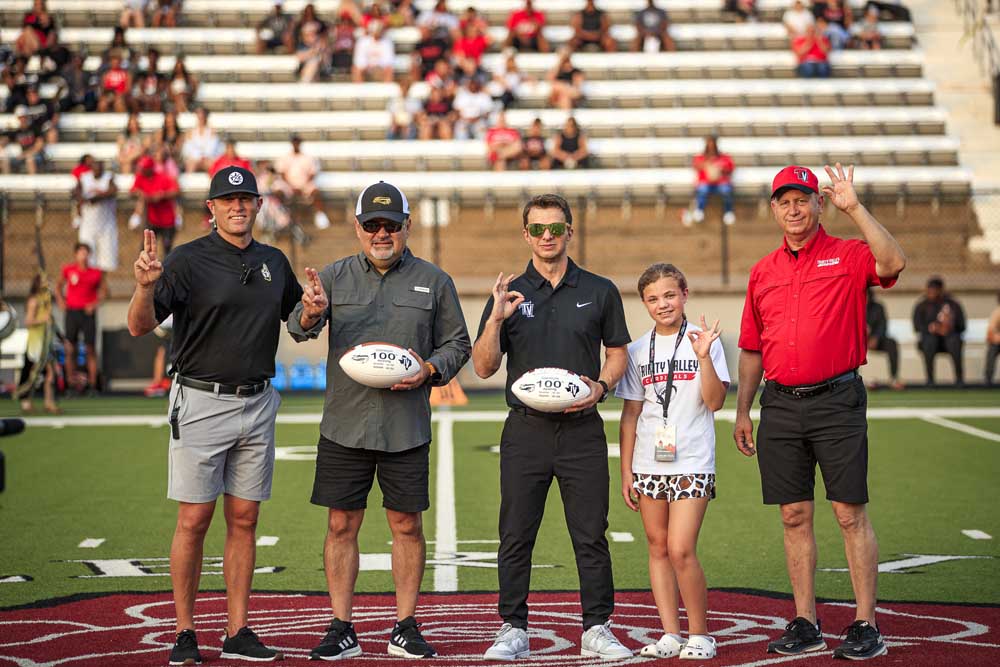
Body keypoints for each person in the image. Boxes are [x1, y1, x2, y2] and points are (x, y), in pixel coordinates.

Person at [286, 181, 471, 660]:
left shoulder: (435, 281)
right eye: (372, 225)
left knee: (406, 524)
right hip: (344, 424)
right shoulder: (334, 276)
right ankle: (341, 627)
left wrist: (429, 370)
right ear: (358, 228)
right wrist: (309, 314)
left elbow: (457, 344)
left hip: (405, 425)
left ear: (407, 226)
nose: (381, 233)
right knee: (341, 524)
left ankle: (405, 626)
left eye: (391, 225)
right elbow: (295, 327)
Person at [126, 166, 301, 665]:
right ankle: (185, 631)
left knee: (245, 518)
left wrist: (311, 311)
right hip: (201, 400)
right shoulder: (185, 260)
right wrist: (143, 288)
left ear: (259, 205)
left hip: (258, 400)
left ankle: (238, 630)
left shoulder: (273, 260)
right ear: (212, 208)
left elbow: (298, 319)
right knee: (195, 517)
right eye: (227, 199)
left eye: (246, 198)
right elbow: (140, 327)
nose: (237, 206)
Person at [734, 164, 906, 661]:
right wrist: (743, 410)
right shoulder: (762, 271)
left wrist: (857, 208)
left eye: (802, 199)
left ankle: (865, 623)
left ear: (819, 205)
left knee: (849, 513)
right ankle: (806, 621)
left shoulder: (849, 254)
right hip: (780, 405)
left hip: (837, 400)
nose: (793, 208)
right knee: (793, 515)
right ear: (773, 209)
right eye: (784, 201)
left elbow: (894, 263)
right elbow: (751, 348)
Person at [473, 193, 633, 661]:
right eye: (539, 228)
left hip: (582, 429)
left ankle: (597, 627)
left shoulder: (599, 289)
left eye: (556, 228)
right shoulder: (509, 293)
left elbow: (617, 351)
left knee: (590, 533)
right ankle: (513, 628)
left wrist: (601, 387)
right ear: (526, 234)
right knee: (516, 532)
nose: (548, 236)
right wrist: (495, 320)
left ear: (570, 231)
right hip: (526, 431)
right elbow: (483, 367)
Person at [618, 263, 729, 661]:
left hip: (693, 461)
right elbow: (631, 414)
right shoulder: (636, 350)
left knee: (682, 549)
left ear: (684, 293)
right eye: (652, 298)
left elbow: (715, 402)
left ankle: (700, 634)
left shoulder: (706, 341)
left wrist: (703, 358)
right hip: (650, 460)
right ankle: (670, 633)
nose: (662, 304)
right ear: (644, 304)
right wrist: (626, 470)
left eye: (669, 295)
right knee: (658, 547)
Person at [56, 242, 108, 393]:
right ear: (76, 254)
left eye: (86, 253)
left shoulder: (96, 272)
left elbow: (105, 292)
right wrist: (60, 300)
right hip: (72, 312)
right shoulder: (68, 270)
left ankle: (92, 384)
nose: (83, 256)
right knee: (70, 348)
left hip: (87, 314)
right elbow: (58, 286)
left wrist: (95, 304)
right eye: (80, 252)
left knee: (90, 348)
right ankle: (70, 383)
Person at [15, 273, 60, 414]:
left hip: (46, 343)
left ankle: (49, 402)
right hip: (35, 343)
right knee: (31, 373)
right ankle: (25, 401)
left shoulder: (46, 302)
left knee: (51, 373)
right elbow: (28, 321)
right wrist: (43, 319)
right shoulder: (34, 300)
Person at [912, 276, 966, 387]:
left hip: (949, 338)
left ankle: (959, 379)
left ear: (941, 290)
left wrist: (949, 327)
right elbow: (917, 326)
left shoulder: (952, 304)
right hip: (930, 339)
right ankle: (930, 380)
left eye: (935, 289)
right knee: (929, 342)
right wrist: (932, 328)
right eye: (930, 289)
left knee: (954, 341)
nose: (932, 292)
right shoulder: (922, 305)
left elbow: (962, 325)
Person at [276, 135, 331, 229]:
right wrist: (292, 186)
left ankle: (320, 217)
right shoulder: (285, 158)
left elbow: (312, 174)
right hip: (288, 185)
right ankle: (282, 216)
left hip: (305, 184)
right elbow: (282, 174)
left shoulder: (308, 158)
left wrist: (302, 186)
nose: (296, 145)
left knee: (315, 192)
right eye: (294, 143)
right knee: (278, 192)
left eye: (297, 143)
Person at [130, 154, 180, 256]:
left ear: (150, 169)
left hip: (167, 220)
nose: (141, 170)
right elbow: (132, 191)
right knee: (146, 248)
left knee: (167, 249)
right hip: (152, 220)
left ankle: (166, 270)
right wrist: (140, 193)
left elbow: (176, 190)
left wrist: (162, 195)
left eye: (144, 168)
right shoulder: (140, 177)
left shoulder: (162, 177)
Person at [74, 160, 119, 273]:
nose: (98, 170)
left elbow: (113, 191)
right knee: (87, 257)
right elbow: (76, 192)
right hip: (88, 225)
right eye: (95, 168)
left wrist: (96, 198)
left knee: (106, 260)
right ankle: (90, 284)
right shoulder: (84, 178)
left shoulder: (109, 177)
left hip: (106, 226)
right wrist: (83, 199)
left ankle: (101, 283)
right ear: (91, 168)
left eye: (100, 168)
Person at [684, 136, 735, 226]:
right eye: (709, 145)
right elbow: (696, 166)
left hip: (720, 183)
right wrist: (706, 164)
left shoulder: (724, 157)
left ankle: (728, 212)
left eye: (713, 145)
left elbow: (730, 168)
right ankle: (699, 210)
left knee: (726, 190)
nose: (711, 147)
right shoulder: (700, 157)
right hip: (706, 183)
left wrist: (721, 168)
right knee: (703, 189)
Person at [866, 288, 903, 390]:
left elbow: (883, 325)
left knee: (891, 343)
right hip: (856, 341)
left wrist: (876, 337)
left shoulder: (878, 307)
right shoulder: (852, 306)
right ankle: (850, 379)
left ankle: (893, 378)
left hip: (875, 339)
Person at [181, 107, 223, 173]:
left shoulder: (212, 131)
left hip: (208, 158)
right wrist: (199, 156)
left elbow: (213, 147)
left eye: (203, 116)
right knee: (190, 164)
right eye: (199, 115)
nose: (201, 118)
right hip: (195, 159)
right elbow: (188, 148)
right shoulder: (190, 132)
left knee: (213, 165)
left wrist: (204, 156)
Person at [985, 292, 1000, 386]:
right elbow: (990, 334)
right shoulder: (997, 313)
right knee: (992, 348)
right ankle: (988, 380)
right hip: (998, 342)